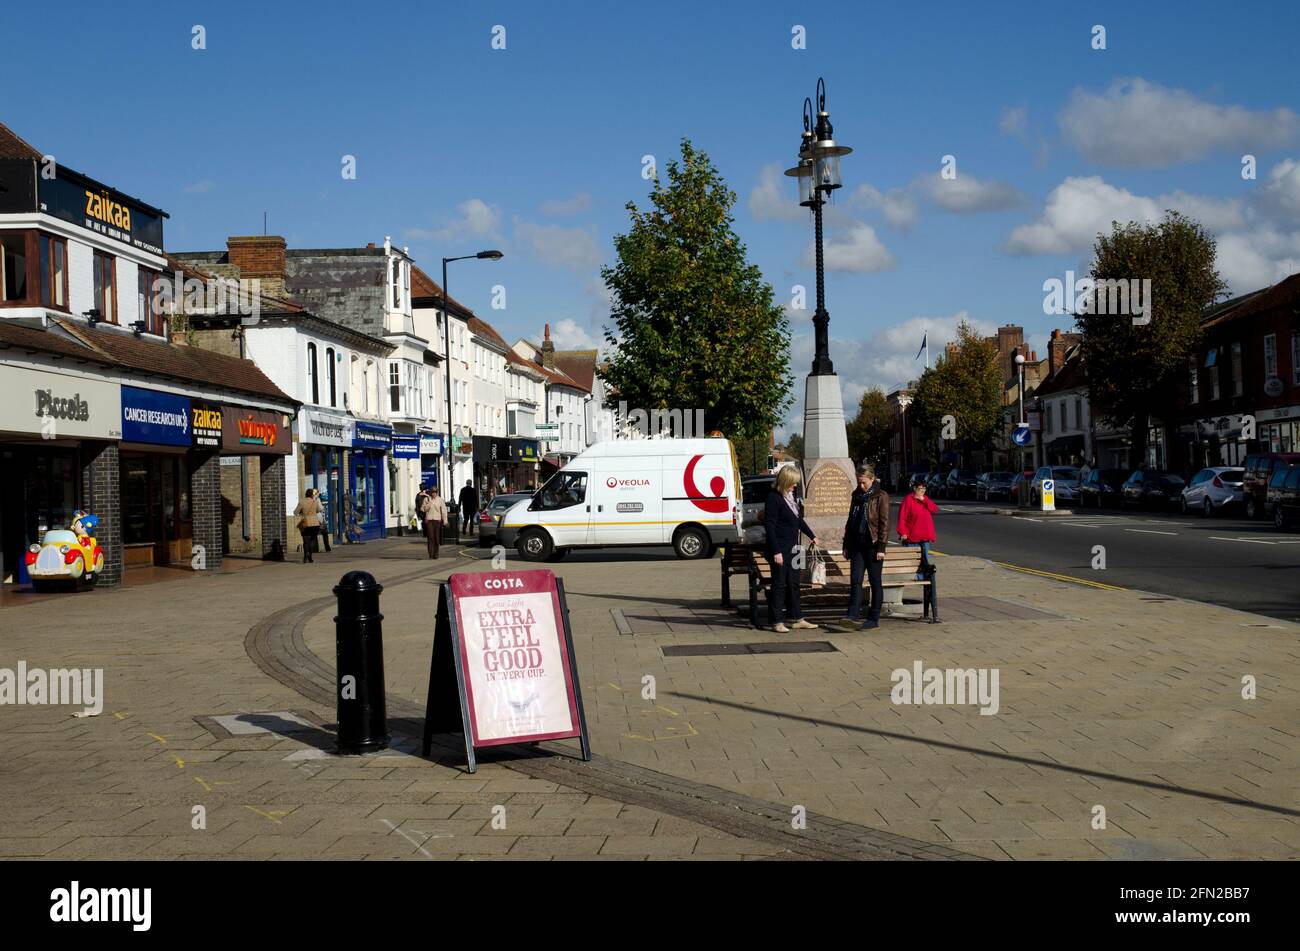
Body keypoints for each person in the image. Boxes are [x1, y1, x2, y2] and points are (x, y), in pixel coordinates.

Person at [763, 466, 820, 634]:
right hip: (780, 548)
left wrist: (812, 535)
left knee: (794, 584)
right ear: (785, 481)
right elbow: (770, 526)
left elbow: (798, 520)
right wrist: (776, 552)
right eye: (793, 483)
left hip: (796, 548)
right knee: (779, 585)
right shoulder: (774, 498)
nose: (795, 486)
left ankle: (797, 618)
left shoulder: (790, 497)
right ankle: (776, 621)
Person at [837, 464, 890, 631]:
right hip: (857, 545)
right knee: (856, 581)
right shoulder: (856, 495)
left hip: (873, 546)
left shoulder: (880, 496)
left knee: (875, 582)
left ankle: (873, 618)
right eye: (858, 482)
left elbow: (884, 523)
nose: (860, 486)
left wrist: (881, 547)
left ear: (872, 479)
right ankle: (852, 615)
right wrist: (846, 544)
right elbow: (850, 521)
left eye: (863, 483)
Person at [897, 475, 938, 580]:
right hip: (912, 536)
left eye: (924, 489)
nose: (922, 491)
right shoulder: (908, 500)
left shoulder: (925, 499)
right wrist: (903, 532)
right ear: (914, 489)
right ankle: (914, 577)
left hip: (925, 536)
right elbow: (902, 518)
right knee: (913, 560)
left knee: (925, 559)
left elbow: (934, 509)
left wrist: (924, 500)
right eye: (920, 489)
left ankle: (922, 578)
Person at [293, 488, 323, 564]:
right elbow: (319, 510)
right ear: (312, 495)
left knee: (306, 541)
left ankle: (306, 555)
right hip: (315, 523)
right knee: (312, 540)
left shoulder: (302, 502)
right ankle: (310, 556)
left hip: (305, 524)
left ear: (306, 494)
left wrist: (301, 513)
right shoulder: (315, 502)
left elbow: (295, 512)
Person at [423, 485, 448, 558]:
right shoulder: (427, 499)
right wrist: (428, 505)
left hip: (437, 520)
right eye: (432, 492)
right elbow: (423, 509)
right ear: (430, 492)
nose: (434, 493)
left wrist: (445, 520)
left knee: (437, 538)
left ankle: (436, 553)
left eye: (435, 492)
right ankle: (431, 554)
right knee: (431, 537)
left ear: (437, 493)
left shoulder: (440, 500)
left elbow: (444, 511)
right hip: (429, 520)